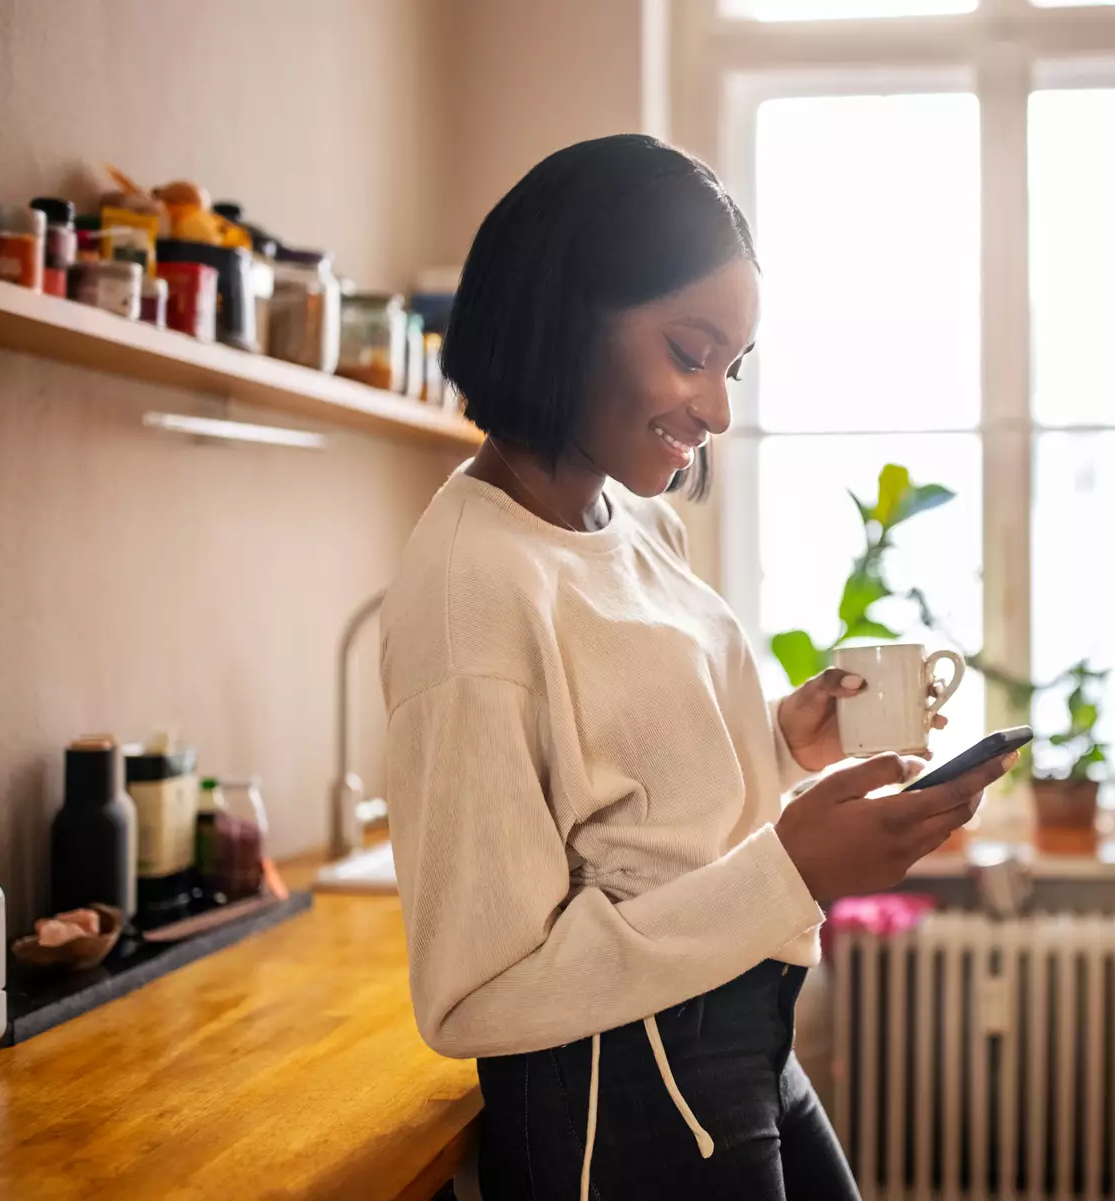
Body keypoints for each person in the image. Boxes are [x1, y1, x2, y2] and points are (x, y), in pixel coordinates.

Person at [380, 133, 1015, 1201]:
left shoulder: (630, 520)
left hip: (732, 1030)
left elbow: (633, 806)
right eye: (689, 350)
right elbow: (477, 992)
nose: (717, 409)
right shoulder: (471, 591)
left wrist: (778, 738)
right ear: (564, 311)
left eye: (732, 365)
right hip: (616, 1088)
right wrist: (795, 869)